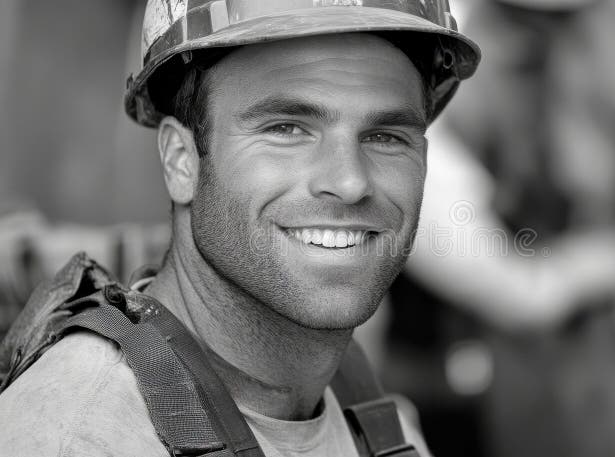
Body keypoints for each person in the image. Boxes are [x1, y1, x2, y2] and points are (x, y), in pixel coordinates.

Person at [0, 0, 480, 455]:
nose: (350, 182)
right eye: (286, 129)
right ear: (181, 161)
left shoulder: (365, 404)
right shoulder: (78, 438)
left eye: (386, 136)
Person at [384, 0, 615, 456]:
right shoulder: (430, 133)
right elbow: (516, 291)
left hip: (602, 372)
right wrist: (613, 261)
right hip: (467, 385)